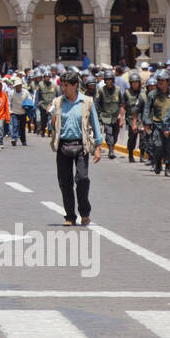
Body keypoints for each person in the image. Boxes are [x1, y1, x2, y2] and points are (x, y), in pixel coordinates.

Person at [49, 70, 104, 226]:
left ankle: (85, 212)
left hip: (81, 146)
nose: (64, 89)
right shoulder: (57, 102)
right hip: (63, 146)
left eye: (66, 86)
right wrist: (52, 119)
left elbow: (95, 124)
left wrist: (98, 147)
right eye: (62, 85)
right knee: (65, 182)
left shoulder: (87, 102)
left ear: (75, 86)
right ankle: (70, 216)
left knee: (82, 179)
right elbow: (51, 125)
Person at [142, 70, 170, 175]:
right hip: (157, 124)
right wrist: (146, 123)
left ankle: (167, 167)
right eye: (159, 80)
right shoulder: (153, 95)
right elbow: (147, 109)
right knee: (157, 146)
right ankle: (158, 162)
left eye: (163, 81)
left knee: (168, 147)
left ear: (168, 82)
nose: (160, 83)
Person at [94, 70, 125, 159]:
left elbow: (122, 104)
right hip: (105, 116)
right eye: (107, 80)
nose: (108, 81)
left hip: (116, 116)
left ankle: (112, 146)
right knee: (109, 133)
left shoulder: (118, 90)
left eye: (110, 80)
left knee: (115, 134)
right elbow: (97, 104)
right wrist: (99, 115)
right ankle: (111, 150)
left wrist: (121, 116)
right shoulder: (101, 90)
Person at [123, 71, 145, 162]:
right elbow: (123, 105)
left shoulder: (142, 93)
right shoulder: (126, 93)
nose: (135, 84)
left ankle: (142, 155)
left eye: (137, 82)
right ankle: (131, 154)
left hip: (141, 118)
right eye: (133, 83)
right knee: (132, 137)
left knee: (143, 137)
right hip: (131, 118)